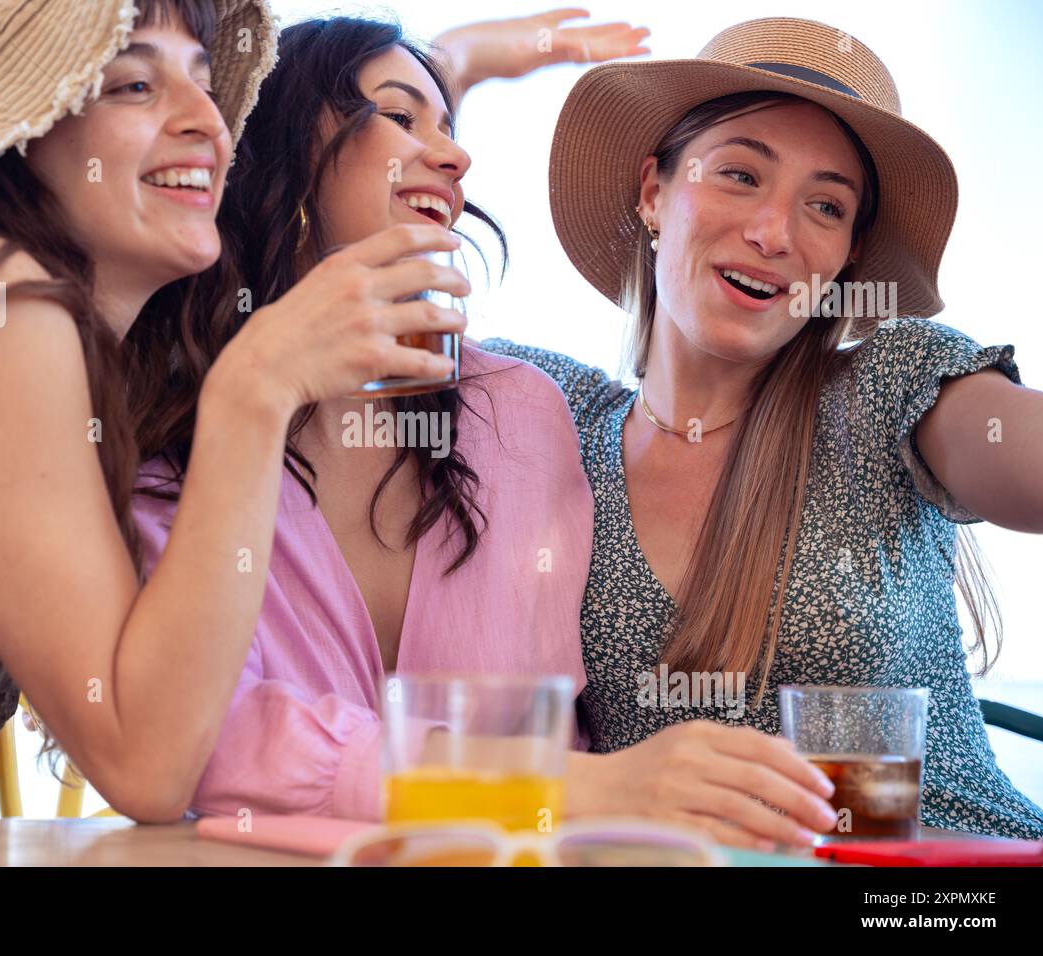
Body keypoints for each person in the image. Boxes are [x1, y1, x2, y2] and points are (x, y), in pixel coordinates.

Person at [0, 0, 469, 865]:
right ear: (18, 128)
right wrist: (256, 383)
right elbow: (148, 760)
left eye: (205, 80)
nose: (206, 121)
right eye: (133, 82)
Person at [133, 14, 842, 852]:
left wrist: (556, 786)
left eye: (448, 126)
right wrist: (568, 785)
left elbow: (540, 739)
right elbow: (201, 741)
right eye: (401, 118)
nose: (456, 156)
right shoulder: (165, 439)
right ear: (281, 153)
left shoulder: (516, 414)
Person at [483, 16, 1043, 838]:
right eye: (741, 175)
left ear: (848, 256)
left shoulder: (887, 391)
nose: (773, 234)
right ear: (653, 191)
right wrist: (453, 69)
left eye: (825, 205)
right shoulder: (552, 416)